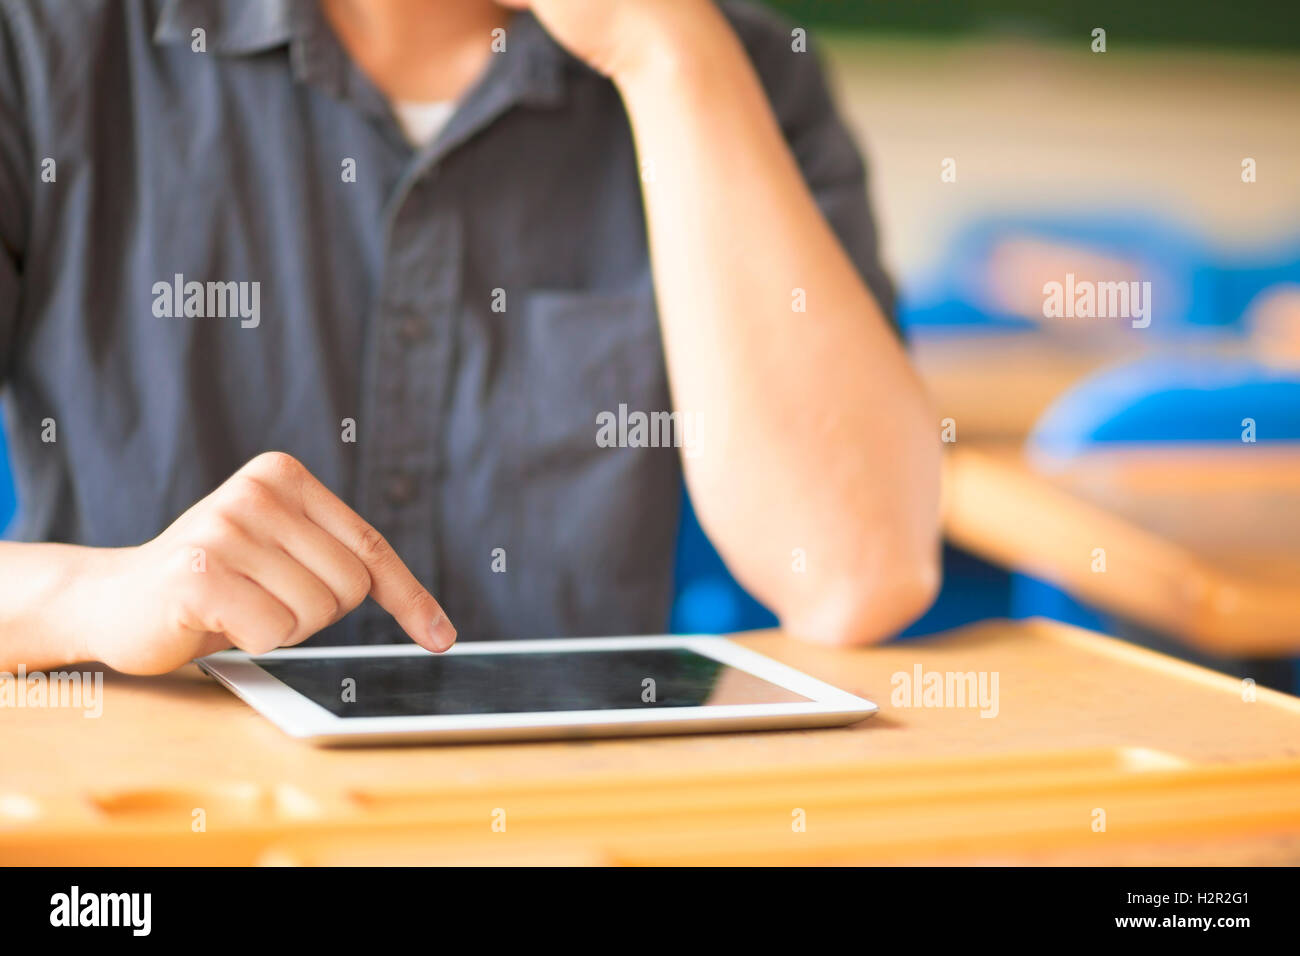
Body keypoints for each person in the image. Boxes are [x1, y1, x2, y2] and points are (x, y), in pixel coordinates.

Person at [0, 0, 941, 676]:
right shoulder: (43, 43)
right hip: (157, 829)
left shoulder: (742, 66)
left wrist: (661, 47)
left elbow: (856, 573)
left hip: (558, 830)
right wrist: (93, 597)